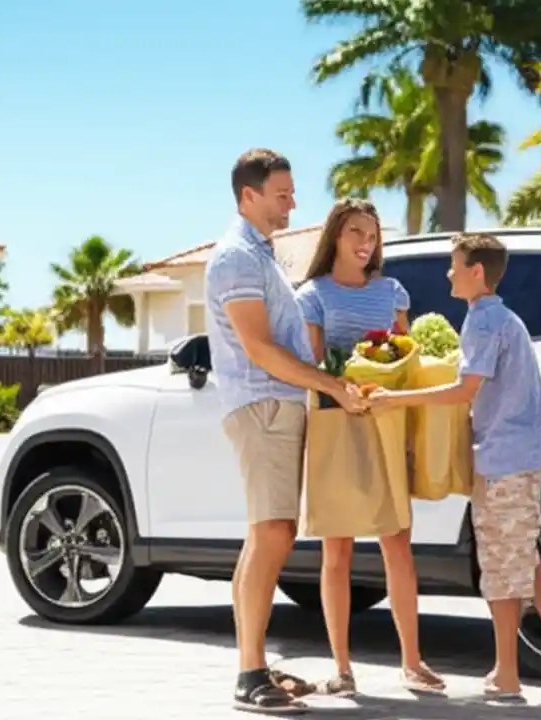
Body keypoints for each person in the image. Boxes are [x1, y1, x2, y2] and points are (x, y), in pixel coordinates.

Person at [369, 233, 541, 705]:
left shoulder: (484, 319)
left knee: (499, 566)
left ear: (477, 272)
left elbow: (464, 390)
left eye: (454, 266)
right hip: (518, 456)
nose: (448, 274)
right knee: (518, 559)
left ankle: (510, 676)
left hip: (505, 460)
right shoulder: (502, 318)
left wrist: (394, 399)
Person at [205, 148, 367, 715]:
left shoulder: (261, 255)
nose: (293, 202)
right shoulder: (234, 259)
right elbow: (259, 349)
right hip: (263, 405)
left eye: (292, 191)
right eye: (282, 193)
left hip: (278, 405)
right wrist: (328, 384)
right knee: (273, 531)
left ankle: (252, 663)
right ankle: (250, 676)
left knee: (267, 533)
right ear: (248, 195)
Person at [293, 198, 445, 697]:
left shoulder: (392, 292)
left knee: (397, 543)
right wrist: (344, 385)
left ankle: (413, 662)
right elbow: (312, 365)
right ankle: (342, 667)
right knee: (336, 550)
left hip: (386, 424)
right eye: (356, 232)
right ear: (335, 236)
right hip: (336, 423)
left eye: (373, 235)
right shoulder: (312, 295)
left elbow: (406, 358)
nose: (366, 243)